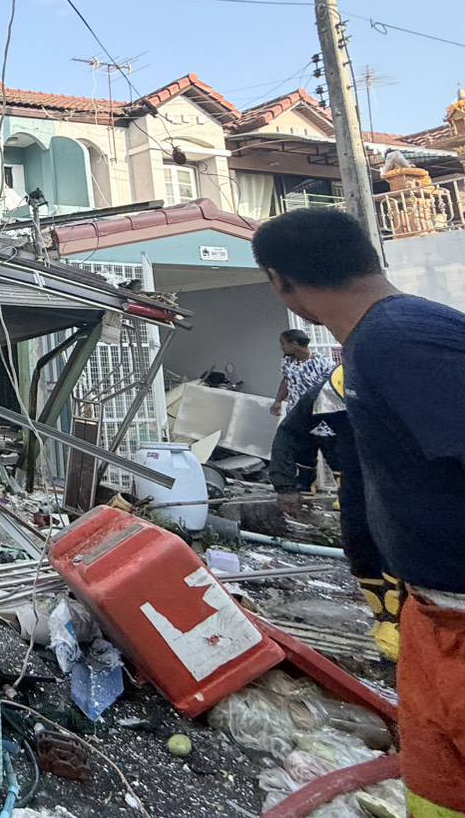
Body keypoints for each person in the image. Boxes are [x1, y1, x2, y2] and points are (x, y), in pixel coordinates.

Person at [253, 208, 465, 817]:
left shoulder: (400, 337)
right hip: (433, 616)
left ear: (281, 282)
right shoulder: (373, 345)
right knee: (436, 791)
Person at [268, 367, 402, 660]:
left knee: (396, 549)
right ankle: (383, 619)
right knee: (359, 547)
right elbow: (291, 435)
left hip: (400, 484)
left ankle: (401, 622)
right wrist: (289, 484)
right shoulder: (323, 397)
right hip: (351, 485)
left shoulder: (399, 386)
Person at [270, 328, 333, 416]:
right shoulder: (287, 361)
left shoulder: (322, 362)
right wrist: (278, 401)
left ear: (294, 344)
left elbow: (332, 389)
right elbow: (287, 380)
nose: (281, 347)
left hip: (318, 413)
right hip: (295, 412)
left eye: (283, 343)